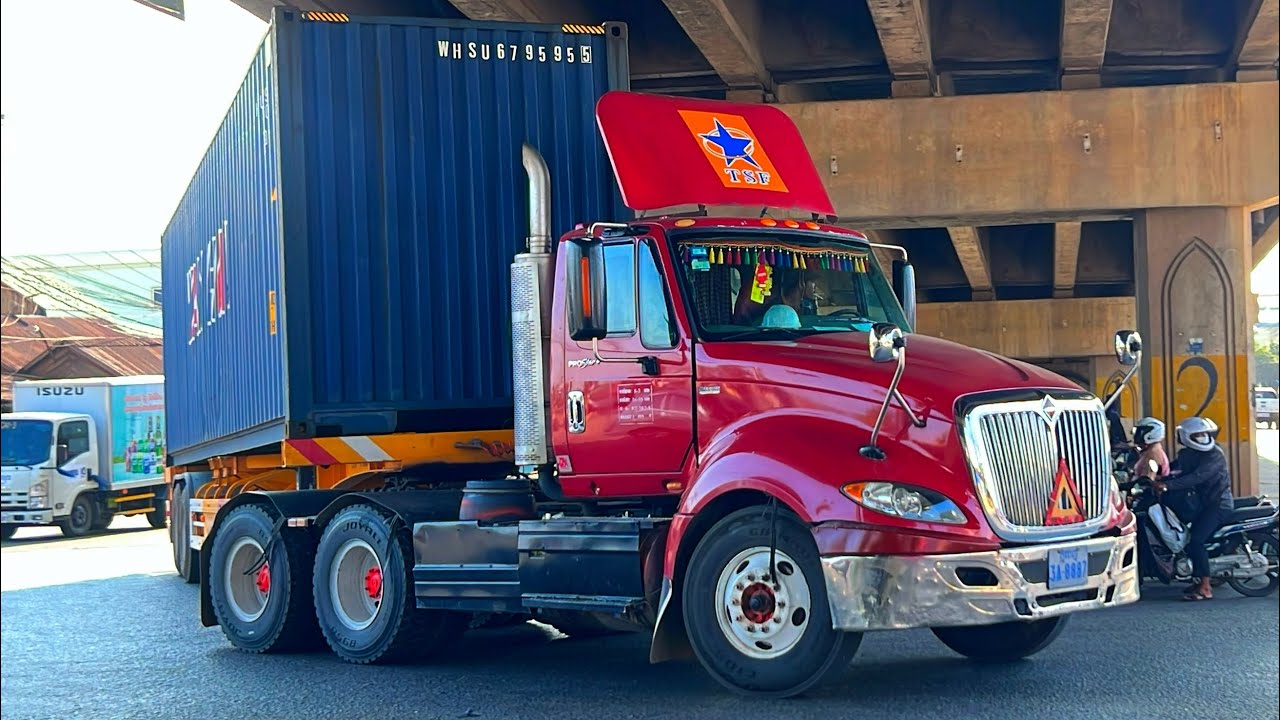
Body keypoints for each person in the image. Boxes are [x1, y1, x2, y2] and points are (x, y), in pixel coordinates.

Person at [1153, 416, 1233, 601]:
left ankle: (1205, 587)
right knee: (1187, 539)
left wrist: (1168, 486)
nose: (1202, 437)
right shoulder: (1186, 454)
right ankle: (1197, 578)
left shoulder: (1214, 455)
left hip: (1217, 505)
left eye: (1204, 434)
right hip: (1201, 504)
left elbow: (1197, 477)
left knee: (1196, 541)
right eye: (1197, 434)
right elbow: (1173, 469)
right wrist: (1156, 477)